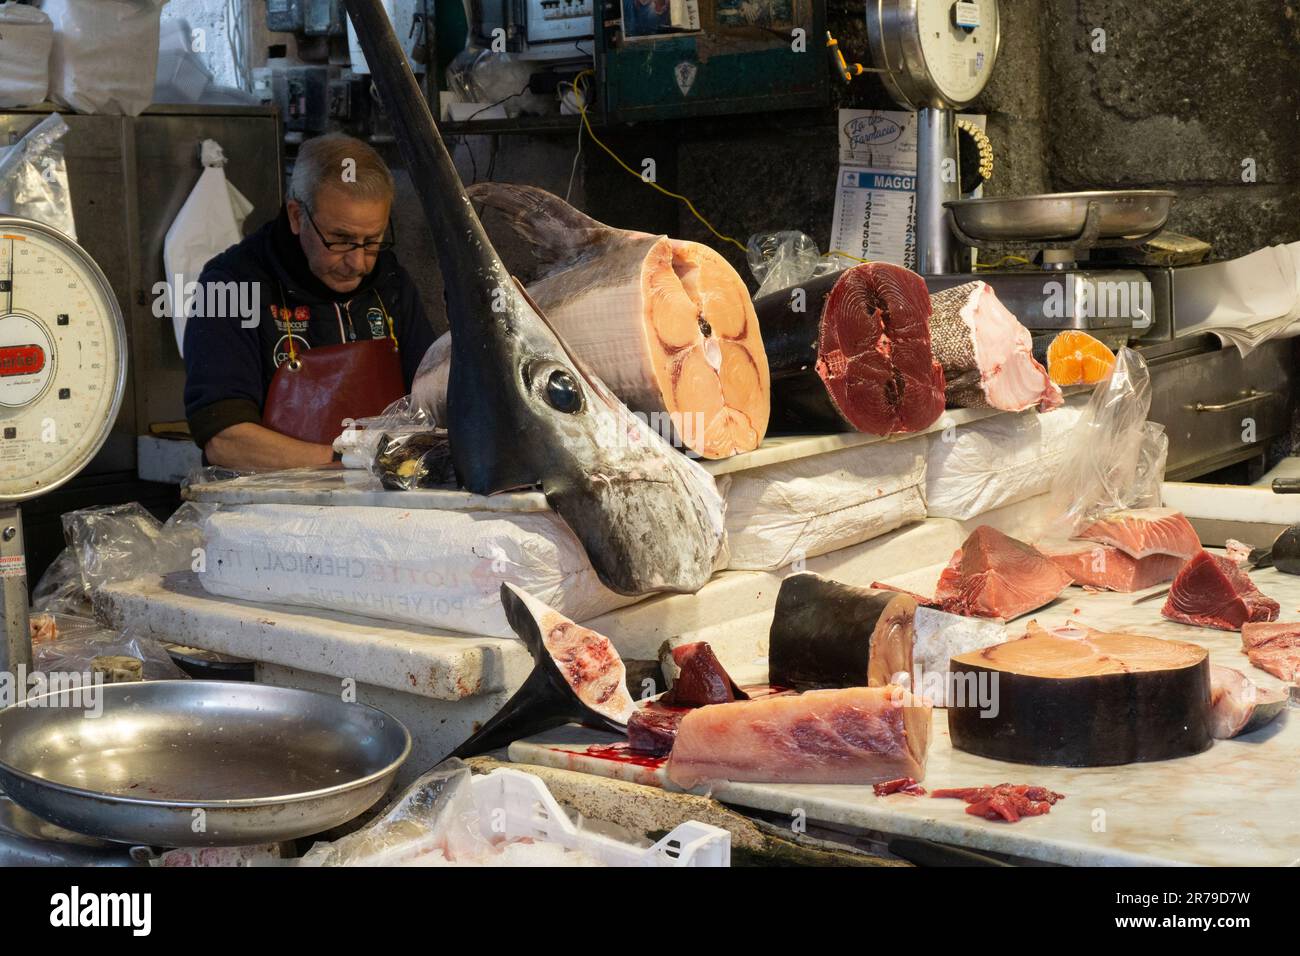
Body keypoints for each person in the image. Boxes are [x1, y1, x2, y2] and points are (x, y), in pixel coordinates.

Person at [183, 132, 436, 470]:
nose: (359, 263)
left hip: (382, 502)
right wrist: (351, 462)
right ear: (296, 216)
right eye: (340, 240)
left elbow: (434, 404)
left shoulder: (390, 282)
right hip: (268, 510)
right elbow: (225, 441)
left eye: (372, 241)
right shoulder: (229, 285)